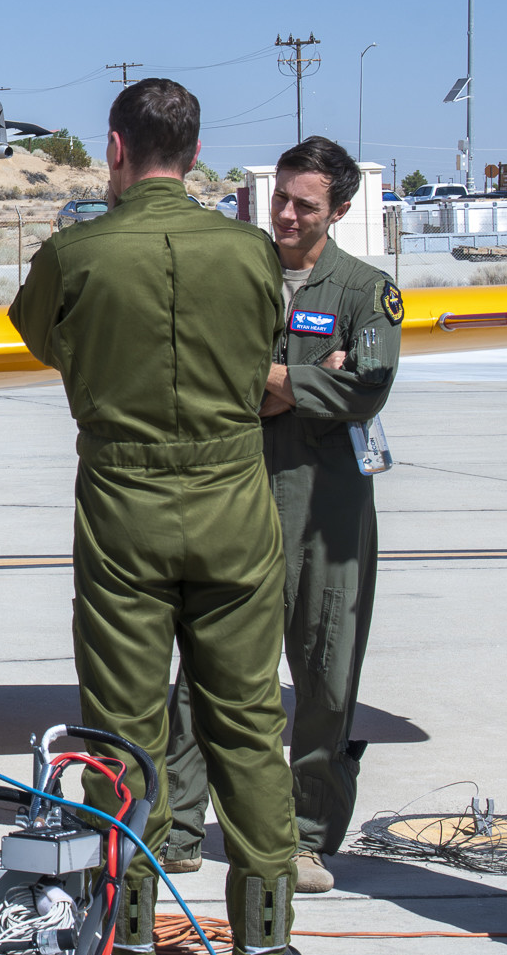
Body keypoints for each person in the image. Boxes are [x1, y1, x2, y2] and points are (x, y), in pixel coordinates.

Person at [10, 80, 304, 955]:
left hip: (124, 501)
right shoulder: (252, 250)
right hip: (232, 501)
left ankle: (126, 938)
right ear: (195, 147)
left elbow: (40, 337)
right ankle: (263, 941)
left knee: (123, 726)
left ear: (116, 147)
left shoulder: (77, 250)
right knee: (247, 720)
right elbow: (267, 346)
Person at [161, 137, 400, 893]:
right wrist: (301, 377)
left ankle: (304, 835)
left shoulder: (365, 290)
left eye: (306, 205)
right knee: (211, 663)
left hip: (328, 508)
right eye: (281, 201)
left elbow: (367, 387)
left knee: (326, 671)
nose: (287, 216)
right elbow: (204, 373)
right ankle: (176, 825)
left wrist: (272, 381)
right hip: (236, 495)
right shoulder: (237, 276)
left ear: (341, 211)